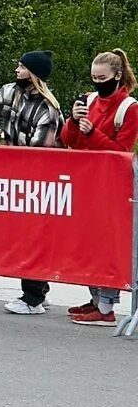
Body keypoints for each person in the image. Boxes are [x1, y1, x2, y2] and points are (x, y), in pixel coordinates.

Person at [0, 51, 64, 314]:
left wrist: (7, 160)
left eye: (21, 67)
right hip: (16, 178)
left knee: (35, 236)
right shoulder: (11, 92)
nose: (16, 70)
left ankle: (33, 297)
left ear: (33, 74)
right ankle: (38, 291)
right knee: (23, 236)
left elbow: (38, 156)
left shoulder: (48, 110)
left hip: (40, 183)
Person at [60, 49, 138, 325]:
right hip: (85, 180)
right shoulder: (90, 99)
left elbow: (120, 150)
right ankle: (95, 298)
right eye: (93, 77)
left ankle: (106, 306)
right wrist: (72, 119)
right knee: (88, 243)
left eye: (102, 78)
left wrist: (92, 133)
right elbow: (67, 139)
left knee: (106, 243)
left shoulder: (129, 108)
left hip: (111, 185)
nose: (97, 83)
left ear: (117, 76)